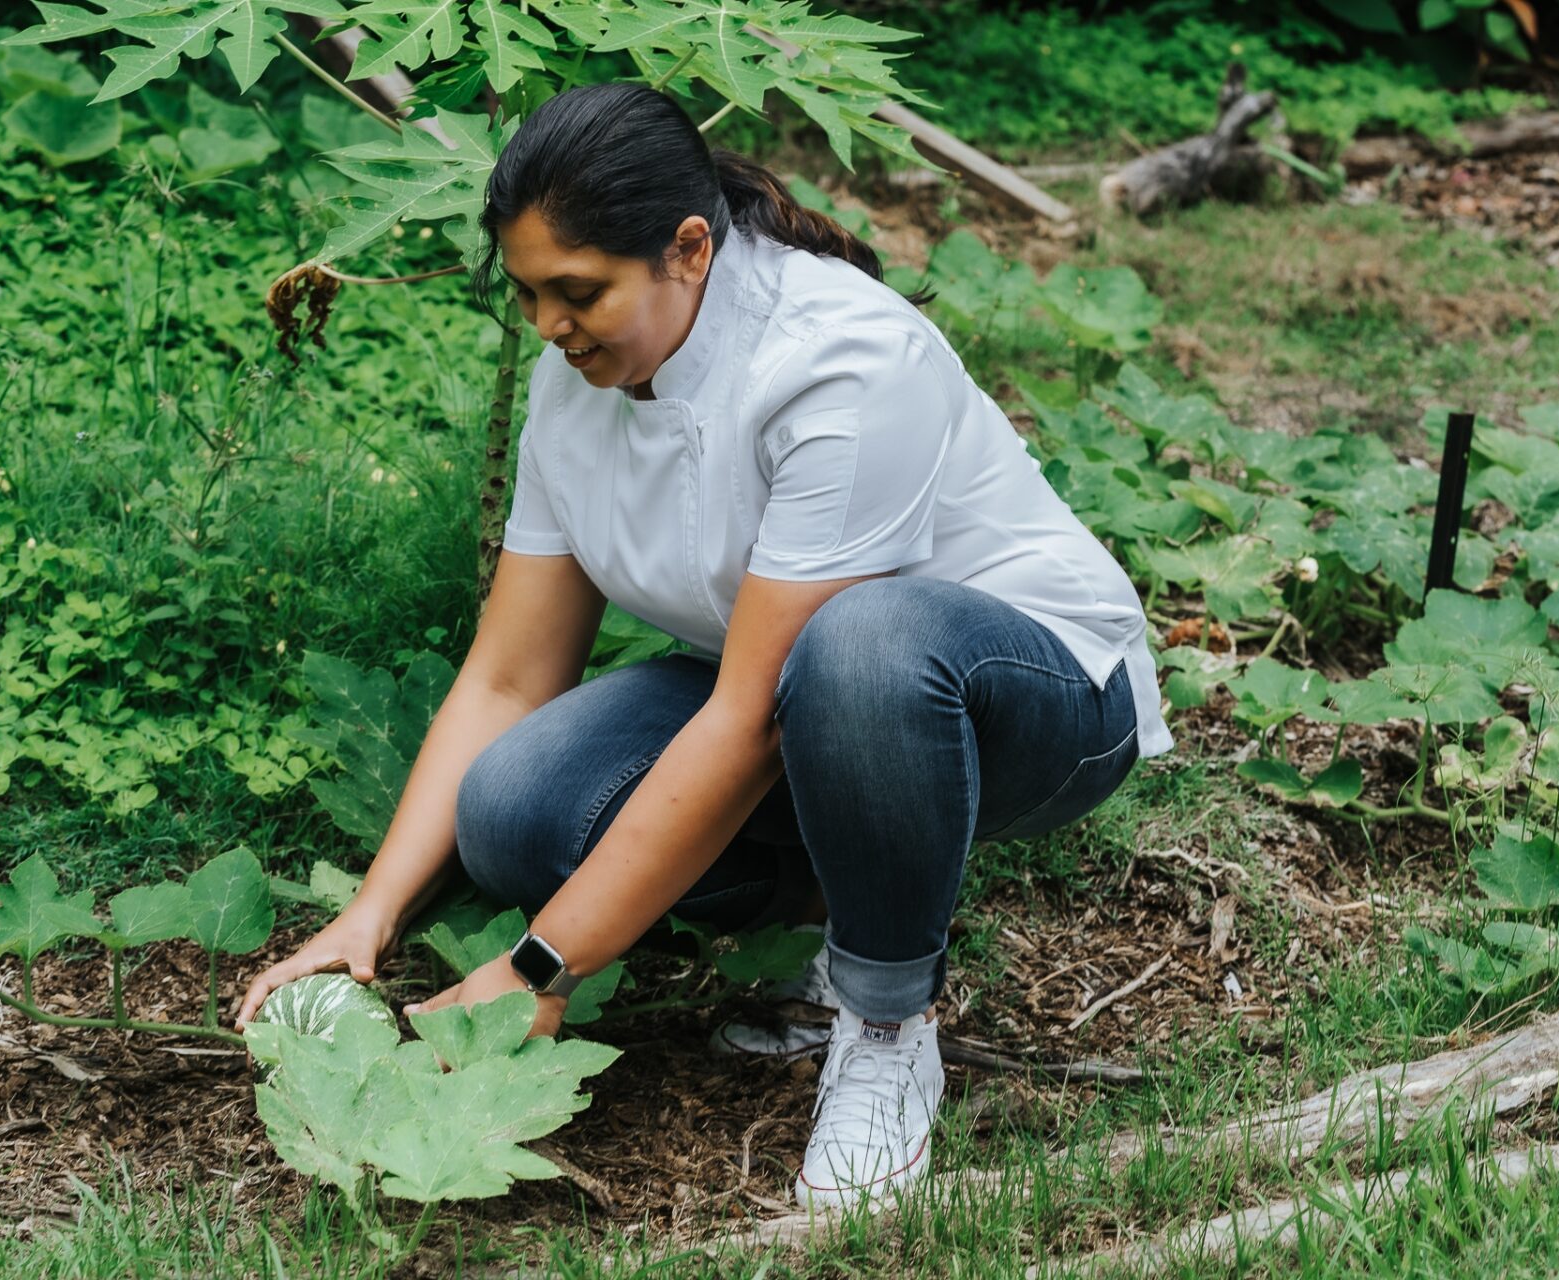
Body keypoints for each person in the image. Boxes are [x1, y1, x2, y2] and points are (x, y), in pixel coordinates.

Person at [235, 81, 1172, 1209]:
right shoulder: (578, 380)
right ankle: (834, 907)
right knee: (516, 807)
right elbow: (510, 677)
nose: (547, 325)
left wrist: (540, 967)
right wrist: (370, 914)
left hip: (1034, 698)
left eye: (578, 292)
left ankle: (885, 1022)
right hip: (791, 699)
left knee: (861, 645)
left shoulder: (840, 359)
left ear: (689, 249)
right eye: (527, 292)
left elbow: (748, 716)